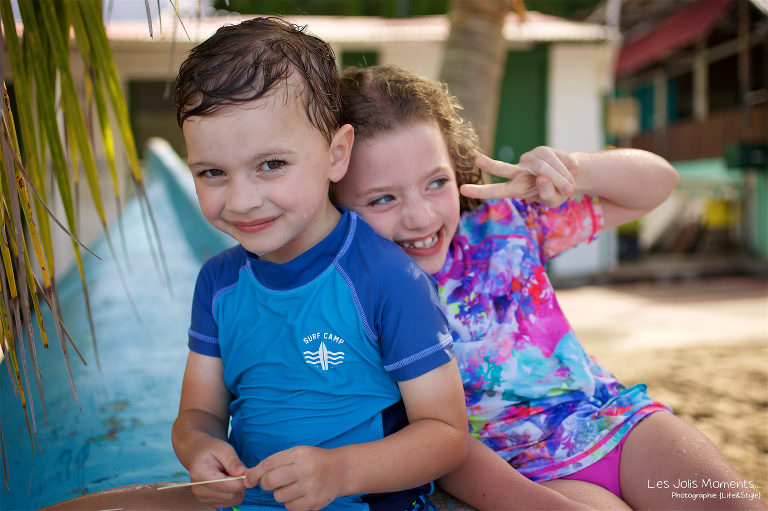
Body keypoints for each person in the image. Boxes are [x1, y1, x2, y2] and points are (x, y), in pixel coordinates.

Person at [333, 65, 765, 511]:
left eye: (436, 182)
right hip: (525, 473)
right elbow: (434, 437)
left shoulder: (506, 224)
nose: (420, 217)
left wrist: (574, 169)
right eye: (383, 198)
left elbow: (659, 183)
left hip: (617, 425)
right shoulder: (354, 302)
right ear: (334, 203)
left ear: (457, 162)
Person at [170, 21, 468, 511]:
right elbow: (198, 412)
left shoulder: (387, 280)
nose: (242, 200)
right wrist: (199, 447)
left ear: (336, 153)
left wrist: (340, 471)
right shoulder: (219, 283)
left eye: (271, 165)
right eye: (213, 173)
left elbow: (446, 433)